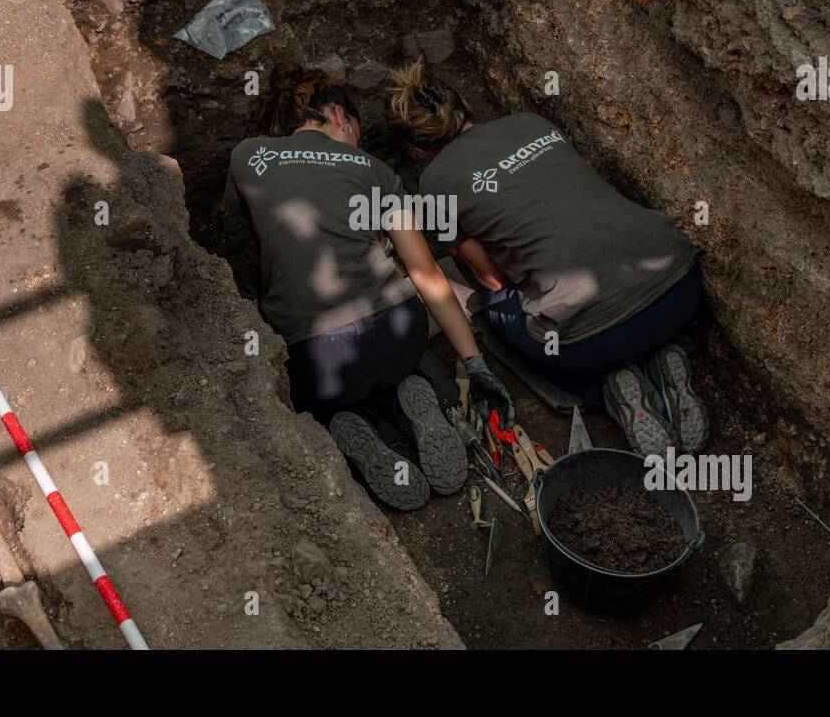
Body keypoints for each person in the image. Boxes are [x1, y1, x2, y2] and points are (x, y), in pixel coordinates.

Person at [223, 62, 514, 510]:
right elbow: (426, 274)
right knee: (394, 322)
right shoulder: (372, 168)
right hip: (400, 336)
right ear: (340, 116)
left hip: (321, 364)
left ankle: (344, 422)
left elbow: (248, 238)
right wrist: (474, 364)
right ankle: (406, 389)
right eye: (355, 128)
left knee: (301, 371)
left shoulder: (248, 156)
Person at [384, 60, 709, 457]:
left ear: (417, 147)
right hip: (681, 288)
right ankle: (660, 363)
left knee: (494, 304)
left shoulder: (435, 182)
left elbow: (492, 278)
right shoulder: (532, 122)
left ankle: (605, 388)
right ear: (464, 104)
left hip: (595, 341)